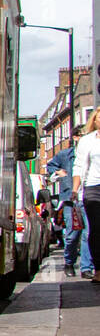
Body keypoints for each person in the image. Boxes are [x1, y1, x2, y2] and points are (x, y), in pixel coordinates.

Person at [48, 119, 94, 278]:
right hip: (70, 199)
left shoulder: (93, 151)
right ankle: (69, 262)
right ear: (75, 138)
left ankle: (86, 267)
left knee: (89, 233)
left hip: (88, 197)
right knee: (73, 234)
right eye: (83, 135)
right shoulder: (64, 155)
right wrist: (58, 172)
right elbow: (50, 166)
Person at [73, 109, 100, 283]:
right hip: (93, 188)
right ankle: (98, 269)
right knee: (96, 230)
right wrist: (75, 190)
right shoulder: (87, 141)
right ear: (95, 121)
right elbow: (79, 166)